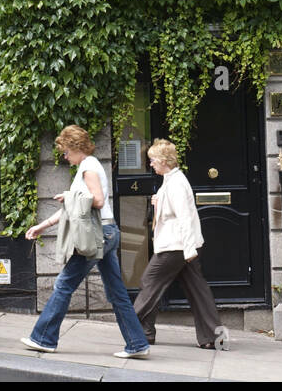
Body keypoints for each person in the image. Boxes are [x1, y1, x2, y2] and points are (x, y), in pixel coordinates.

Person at [21, 125, 151, 359]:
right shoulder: (86, 166)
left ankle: (44, 338)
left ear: (75, 147)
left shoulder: (88, 167)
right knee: (117, 293)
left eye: (65, 151)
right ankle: (137, 343)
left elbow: (98, 201)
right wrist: (42, 227)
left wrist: (70, 196)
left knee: (64, 284)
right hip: (106, 231)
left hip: (98, 233)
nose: (64, 157)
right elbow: (72, 208)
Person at [132, 138, 226, 349]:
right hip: (182, 245)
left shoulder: (175, 183)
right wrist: (159, 202)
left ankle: (132, 326)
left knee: (150, 281)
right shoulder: (172, 179)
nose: (151, 164)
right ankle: (214, 337)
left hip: (176, 246)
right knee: (198, 290)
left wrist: (189, 249)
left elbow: (184, 217)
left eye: (153, 160)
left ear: (164, 160)